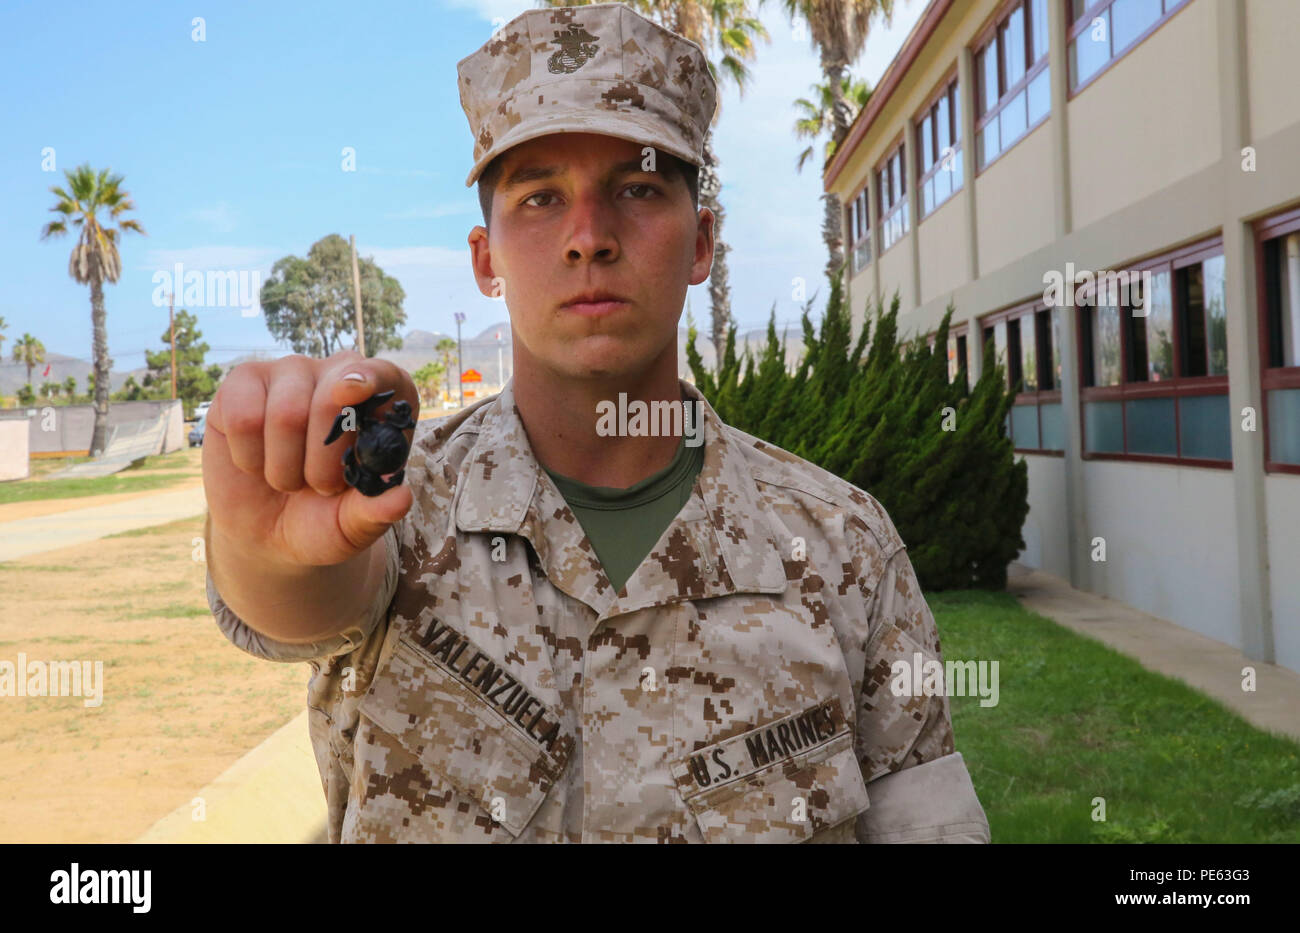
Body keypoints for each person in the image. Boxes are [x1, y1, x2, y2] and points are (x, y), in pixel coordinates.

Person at [203, 1, 990, 844]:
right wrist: (265, 551)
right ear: (485, 260)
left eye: (638, 189)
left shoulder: (846, 547)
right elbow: (311, 598)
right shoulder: (404, 503)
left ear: (701, 244)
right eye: (541, 197)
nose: (589, 236)